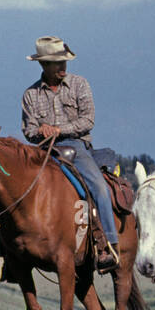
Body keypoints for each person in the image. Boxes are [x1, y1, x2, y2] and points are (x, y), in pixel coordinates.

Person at [21, 36, 119, 271]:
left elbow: (88, 120)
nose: (63, 66)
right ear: (44, 65)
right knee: (16, 188)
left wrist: (58, 129)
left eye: (64, 62)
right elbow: (28, 130)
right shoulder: (30, 95)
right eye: (57, 63)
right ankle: (6, 255)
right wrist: (40, 131)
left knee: (100, 188)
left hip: (75, 147)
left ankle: (107, 245)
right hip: (44, 149)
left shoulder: (79, 84)